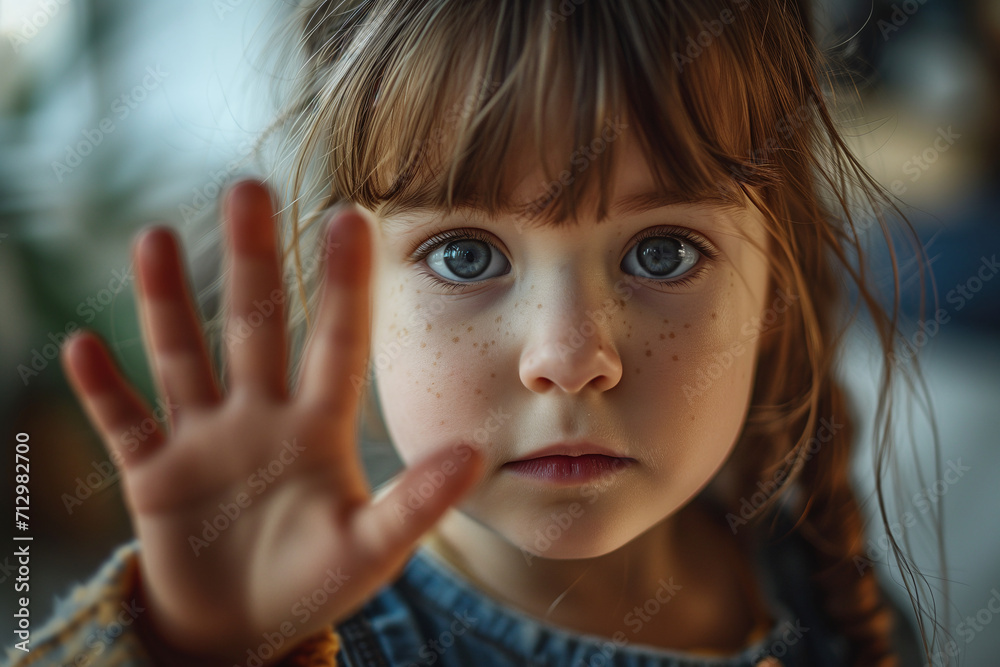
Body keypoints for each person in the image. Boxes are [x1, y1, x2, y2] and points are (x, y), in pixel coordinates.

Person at [7, 0, 944, 665]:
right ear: (354, 295)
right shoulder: (302, 638)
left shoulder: (812, 580)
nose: (569, 358)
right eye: (464, 256)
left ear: (774, 275)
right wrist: (180, 649)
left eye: (662, 252)